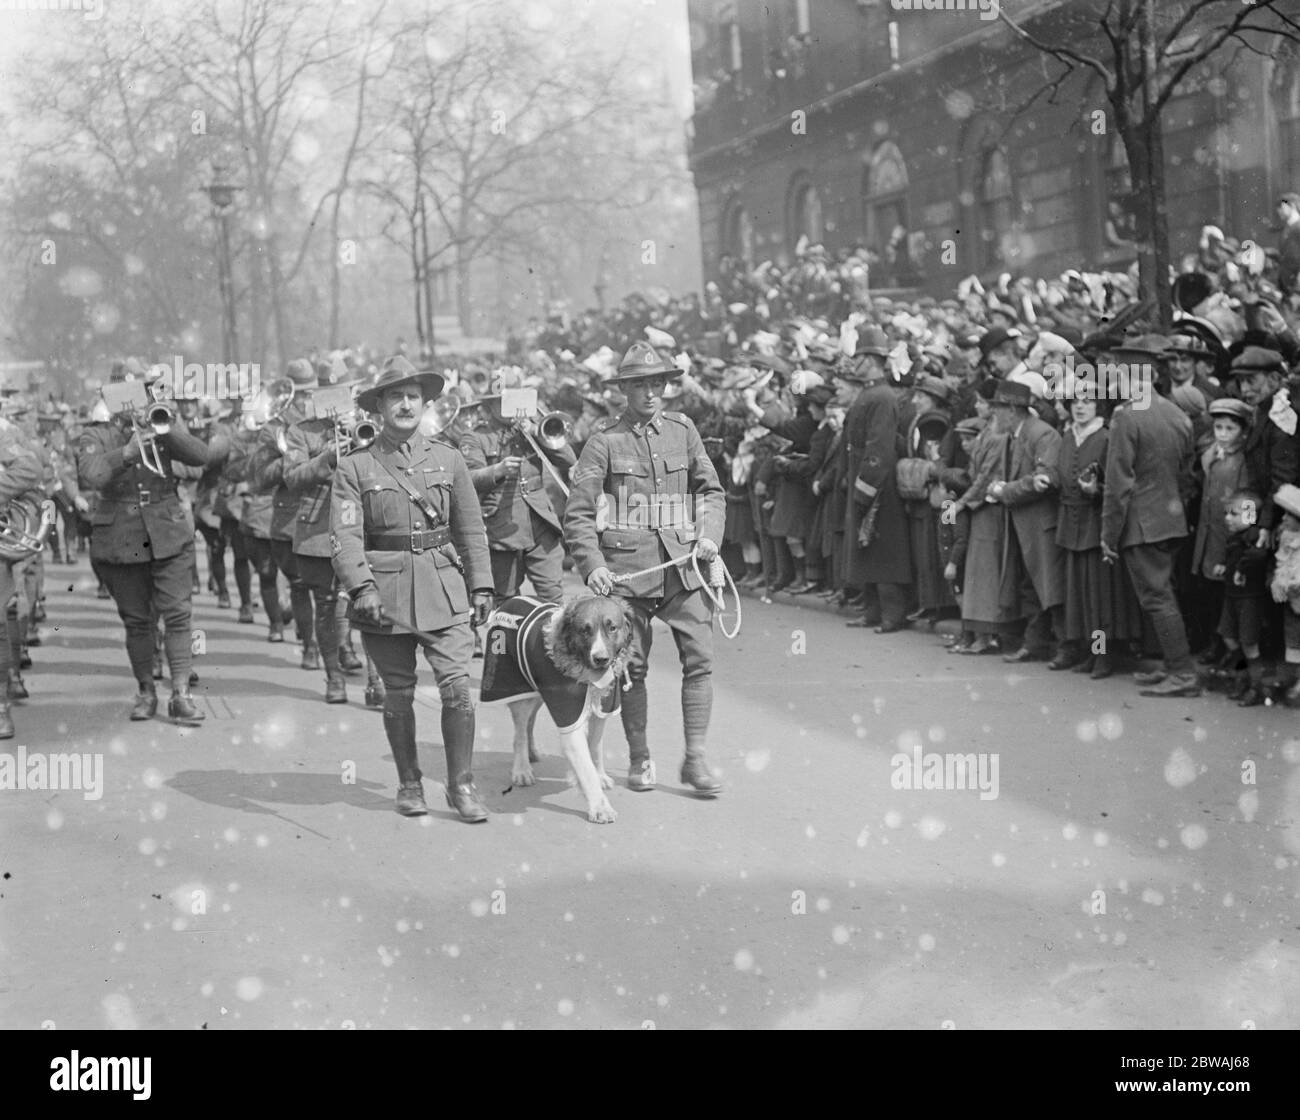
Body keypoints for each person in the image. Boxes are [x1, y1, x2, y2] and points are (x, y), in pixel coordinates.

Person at [330, 357, 494, 819]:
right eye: (395, 396)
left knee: (459, 690)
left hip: (444, 590)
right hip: (385, 598)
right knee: (398, 694)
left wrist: (481, 587)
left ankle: (460, 786)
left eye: (413, 397)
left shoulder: (449, 459)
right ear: (378, 406)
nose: (405, 404)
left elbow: (471, 529)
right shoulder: (354, 468)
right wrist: (361, 587)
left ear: (425, 404)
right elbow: (344, 536)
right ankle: (409, 783)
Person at [564, 340, 726, 795]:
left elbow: (710, 491)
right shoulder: (604, 442)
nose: (651, 394)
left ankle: (695, 759)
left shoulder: (683, 430)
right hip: (626, 575)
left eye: (658, 384)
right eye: (640, 385)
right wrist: (592, 564)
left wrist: (709, 534)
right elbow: (578, 512)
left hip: (683, 568)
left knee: (700, 662)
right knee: (632, 668)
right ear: (624, 390)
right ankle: (640, 757)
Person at [77, 362, 214, 722]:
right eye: (127, 391)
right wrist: (127, 452)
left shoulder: (162, 422)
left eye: (141, 389)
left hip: (168, 533)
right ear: (111, 394)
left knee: (179, 613)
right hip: (122, 539)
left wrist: (164, 428)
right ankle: (146, 691)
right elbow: (91, 474)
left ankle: (181, 693)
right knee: (138, 621)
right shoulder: (97, 433)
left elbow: (201, 457)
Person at [1099, 337, 1200, 698]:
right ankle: (1175, 667)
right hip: (1171, 519)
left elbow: (1117, 484)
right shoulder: (1176, 413)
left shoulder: (1126, 416)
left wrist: (1108, 536)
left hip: (1141, 524)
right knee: (1164, 594)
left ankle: (1182, 672)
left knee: (1157, 598)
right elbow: (1188, 475)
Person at [458, 368, 574, 606]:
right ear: (489, 406)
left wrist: (535, 431)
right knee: (504, 598)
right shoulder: (476, 437)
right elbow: (467, 479)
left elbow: (568, 459)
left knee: (553, 596)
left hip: (540, 522)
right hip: (501, 527)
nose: (508, 407)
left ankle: (552, 642)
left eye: (513, 400)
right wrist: (496, 471)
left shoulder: (535, 427)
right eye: (501, 403)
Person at [985, 379, 1067, 665]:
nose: (993, 414)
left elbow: (1046, 479)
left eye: (997, 409)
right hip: (1025, 525)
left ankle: (1065, 647)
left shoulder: (1042, 435)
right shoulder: (1020, 434)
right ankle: (1036, 644)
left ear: (1011, 409)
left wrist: (1005, 490)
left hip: (1041, 525)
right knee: (1031, 585)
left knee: (1050, 587)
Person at [841, 328, 913, 631]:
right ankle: (873, 611)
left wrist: (865, 487)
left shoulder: (881, 396)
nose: (854, 362)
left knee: (883, 547)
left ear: (870, 359)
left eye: (858, 357)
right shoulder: (871, 392)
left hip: (877, 481)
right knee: (867, 547)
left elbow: (879, 447)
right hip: (863, 471)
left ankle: (892, 614)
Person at [250, 358, 318, 668]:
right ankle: (310, 645)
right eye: (300, 393)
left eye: (310, 392)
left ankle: (340, 645)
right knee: (300, 586)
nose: (305, 399)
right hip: (290, 520)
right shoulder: (273, 428)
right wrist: (289, 459)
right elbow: (260, 478)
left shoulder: (328, 422)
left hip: (328, 515)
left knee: (335, 591)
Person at [1191, 397, 1253, 670]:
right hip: (1207, 535)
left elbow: (1244, 506)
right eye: (1219, 428)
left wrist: (1233, 548)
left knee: (1224, 596)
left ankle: (1227, 647)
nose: (1223, 435)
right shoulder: (1212, 456)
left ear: (1242, 431)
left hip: (1226, 540)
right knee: (1208, 593)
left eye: (1230, 428)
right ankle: (1214, 644)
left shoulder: (1242, 462)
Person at [1216, 490, 1271, 705]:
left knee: (1250, 643)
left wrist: (1240, 568)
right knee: (1228, 636)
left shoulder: (1255, 537)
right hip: (1232, 596)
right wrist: (1224, 565)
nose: (1227, 518)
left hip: (1249, 598)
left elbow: (1256, 557)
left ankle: (1256, 687)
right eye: (1227, 513)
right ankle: (1243, 675)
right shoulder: (1235, 537)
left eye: (1234, 514)